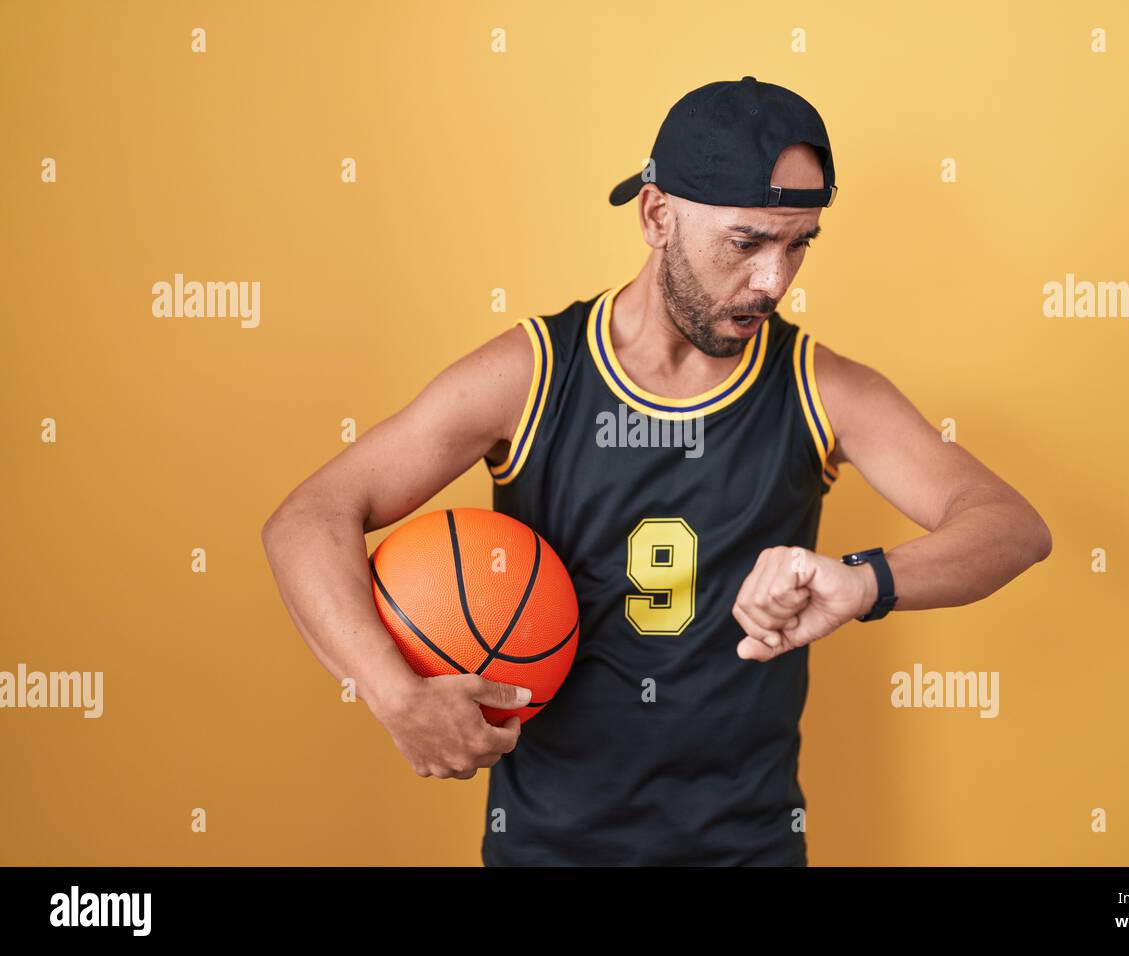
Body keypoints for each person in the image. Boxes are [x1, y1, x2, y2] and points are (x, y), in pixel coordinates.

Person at [261, 76, 1052, 866]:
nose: (775, 280)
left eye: (799, 242)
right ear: (656, 216)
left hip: (747, 850)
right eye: (747, 243)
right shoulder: (536, 375)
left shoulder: (820, 388)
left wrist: (862, 580)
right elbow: (308, 519)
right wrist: (394, 695)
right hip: (548, 850)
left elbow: (1010, 526)